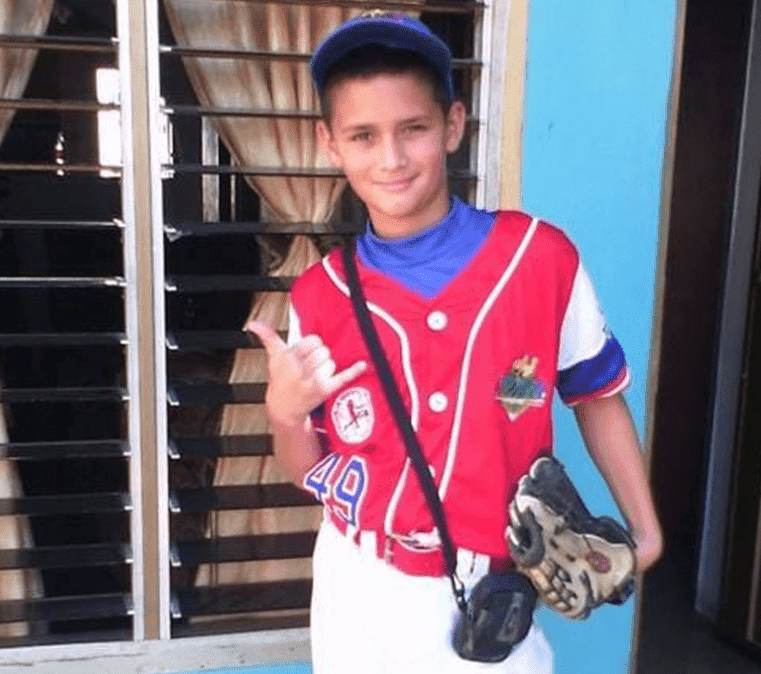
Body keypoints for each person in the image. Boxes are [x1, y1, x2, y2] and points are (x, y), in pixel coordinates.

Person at [247, 12, 663, 674]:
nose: (390, 158)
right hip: (357, 583)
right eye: (363, 135)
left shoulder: (537, 258)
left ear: (452, 124)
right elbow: (314, 472)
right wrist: (283, 412)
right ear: (330, 144)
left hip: (487, 589)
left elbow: (594, 394)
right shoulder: (320, 297)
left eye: (412, 128)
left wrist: (645, 533)